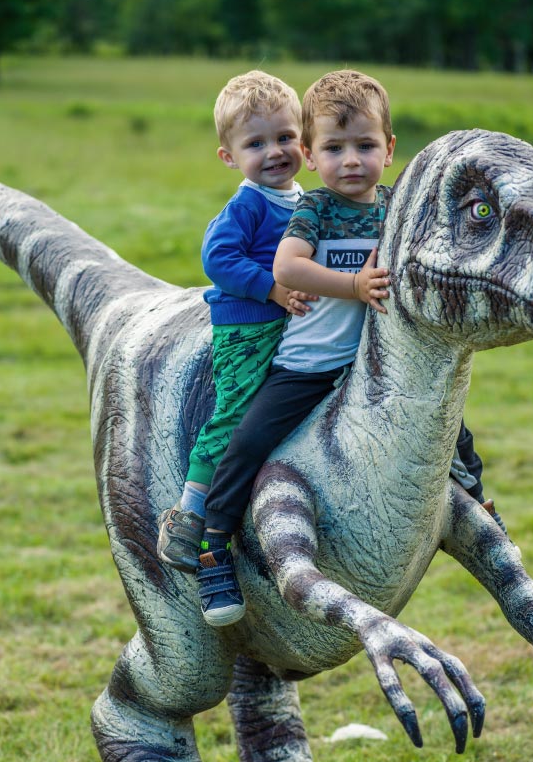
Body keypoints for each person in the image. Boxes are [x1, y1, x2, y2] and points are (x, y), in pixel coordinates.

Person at [192, 69, 502, 628]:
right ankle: (213, 546)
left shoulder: (393, 207)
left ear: (389, 148)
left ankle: (478, 508)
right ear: (311, 155)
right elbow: (287, 266)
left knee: (451, 422)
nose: (351, 161)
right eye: (335, 148)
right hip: (309, 365)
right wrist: (354, 286)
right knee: (248, 441)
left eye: (364, 146)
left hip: (373, 364)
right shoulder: (313, 209)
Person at [157, 70, 316, 575]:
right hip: (247, 325)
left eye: (285, 137)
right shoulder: (247, 204)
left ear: (304, 141)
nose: (274, 152)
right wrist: (272, 288)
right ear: (230, 157)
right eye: (256, 143)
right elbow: (217, 258)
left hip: (289, 320)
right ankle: (190, 512)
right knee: (236, 410)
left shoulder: (304, 199)